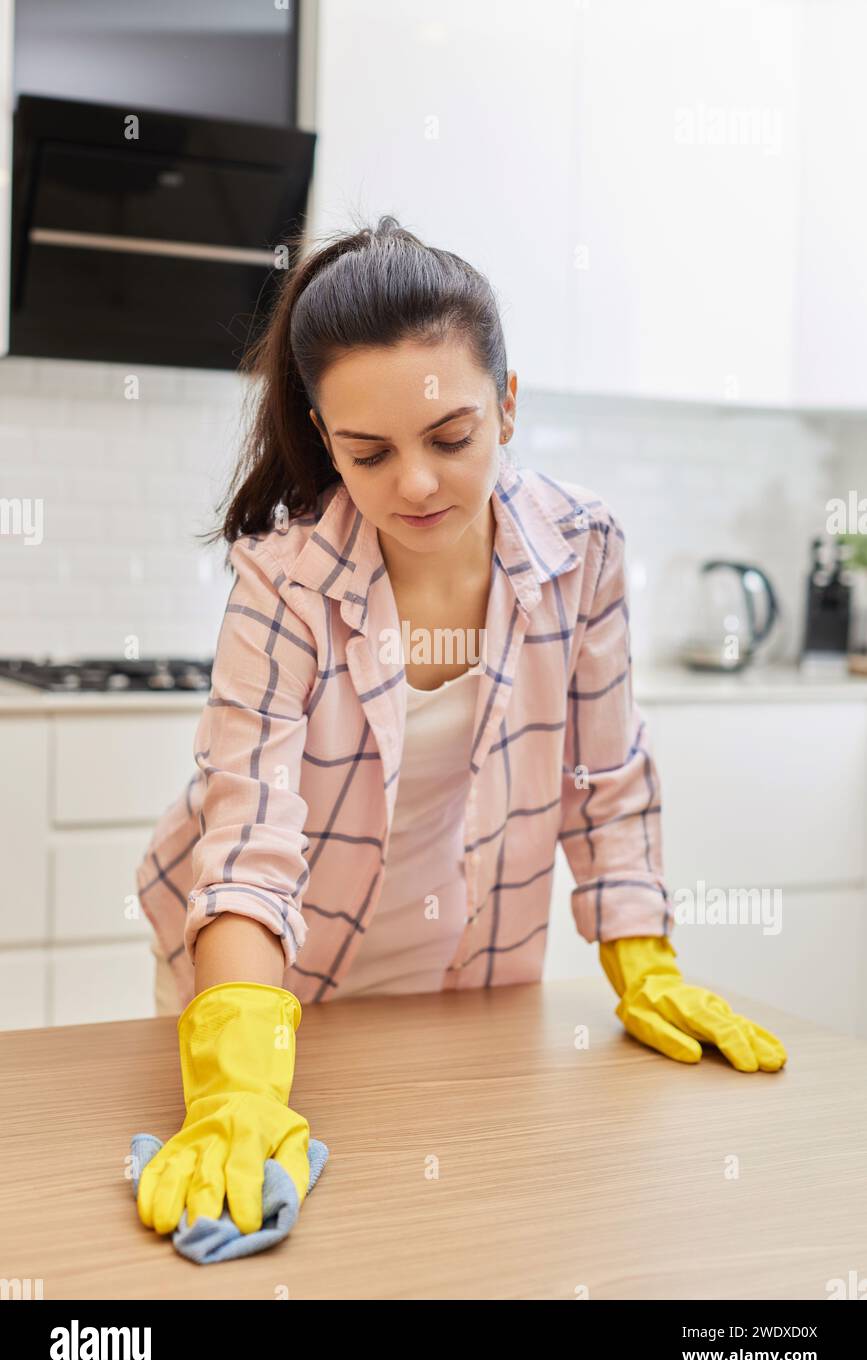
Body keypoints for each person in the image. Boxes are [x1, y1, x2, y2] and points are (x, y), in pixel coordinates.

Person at [135, 215, 786, 1237]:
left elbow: (606, 779)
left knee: (459, 1233)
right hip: (266, 988)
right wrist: (234, 1087)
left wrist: (643, 958)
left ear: (508, 406)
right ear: (321, 435)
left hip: (469, 975)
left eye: (451, 437)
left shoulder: (583, 546)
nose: (419, 483)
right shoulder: (286, 579)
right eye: (370, 453)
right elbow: (245, 841)